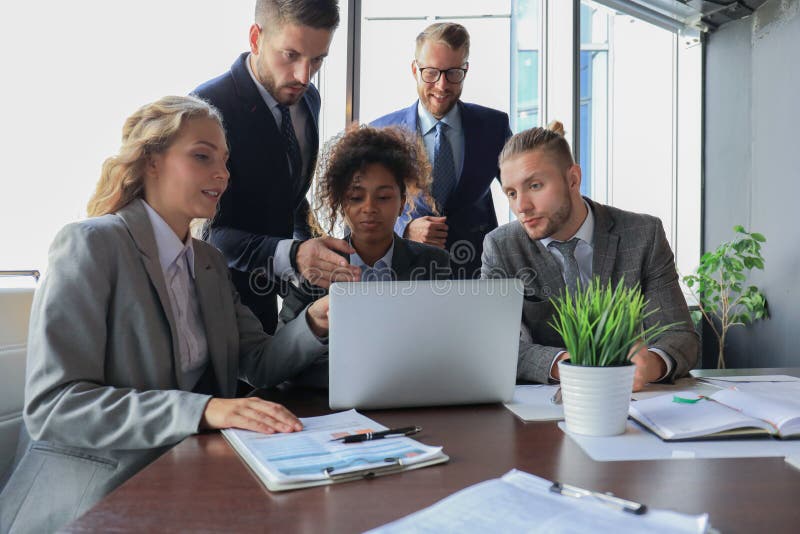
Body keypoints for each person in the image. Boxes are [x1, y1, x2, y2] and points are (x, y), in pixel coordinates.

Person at [0, 96, 331, 533]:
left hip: (184, 475)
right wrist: (203, 410)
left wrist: (314, 321)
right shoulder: (92, 245)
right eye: (202, 156)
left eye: (225, 161)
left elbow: (259, 362)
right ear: (151, 162)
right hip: (97, 496)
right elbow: (55, 405)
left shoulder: (209, 262)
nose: (223, 173)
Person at [481, 122, 699, 391]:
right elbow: (492, 344)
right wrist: (569, 365)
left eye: (535, 186)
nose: (521, 206)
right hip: (543, 403)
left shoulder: (643, 234)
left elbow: (679, 335)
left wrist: (650, 364)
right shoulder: (501, 247)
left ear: (573, 179)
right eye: (511, 193)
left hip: (629, 398)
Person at [193, 0, 360, 335]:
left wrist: (317, 247)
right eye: (291, 55)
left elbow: (287, 193)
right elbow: (203, 232)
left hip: (272, 303)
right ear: (256, 38)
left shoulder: (308, 99)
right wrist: (294, 255)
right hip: (214, 305)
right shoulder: (207, 109)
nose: (304, 76)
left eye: (318, 60)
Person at [278, 125, 452, 387]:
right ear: (341, 203)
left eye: (383, 197)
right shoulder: (315, 266)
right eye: (356, 197)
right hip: (326, 400)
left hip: (410, 395)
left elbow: (443, 347)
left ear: (402, 202)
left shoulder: (432, 263)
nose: (369, 208)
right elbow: (282, 357)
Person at [371, 22, 511, 280]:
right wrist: (403, 228)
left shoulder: (494, 126)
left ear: (466, 70)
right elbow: (361, 211)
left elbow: (522, 193)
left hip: (477, 275)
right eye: (431, 73)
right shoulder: (381, 133)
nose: (442, 85)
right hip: (404, 277)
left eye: (453, 73)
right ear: (415, 70)